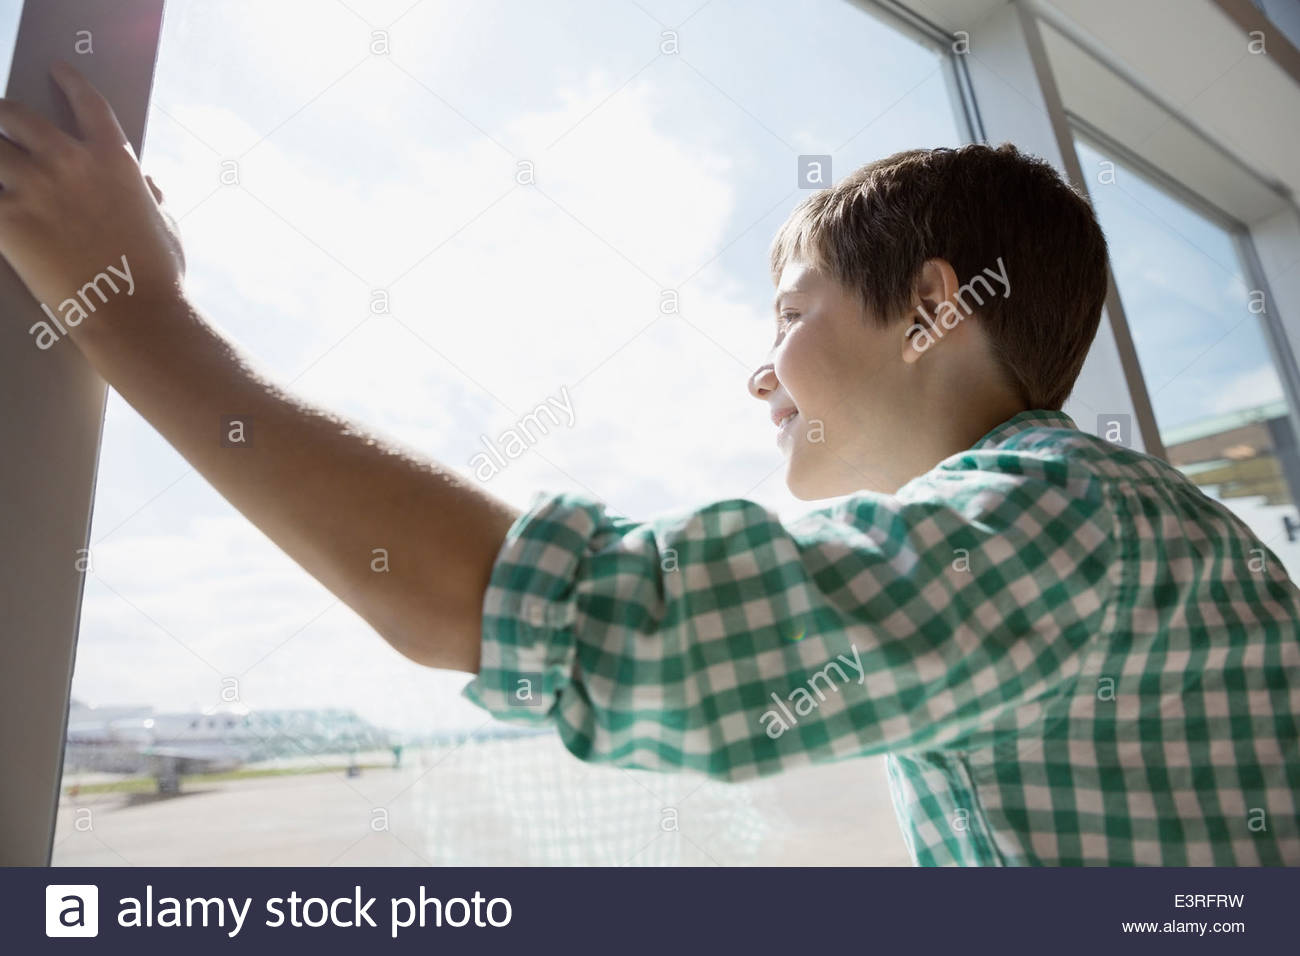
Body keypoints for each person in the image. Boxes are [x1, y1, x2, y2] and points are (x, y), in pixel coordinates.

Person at [3, 60, 1296, 866]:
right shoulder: (1143, 530)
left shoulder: (1053, 525)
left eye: (791, 314)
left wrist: (131, 307)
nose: (760, 367)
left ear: (932, 310)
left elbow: (536, 614)